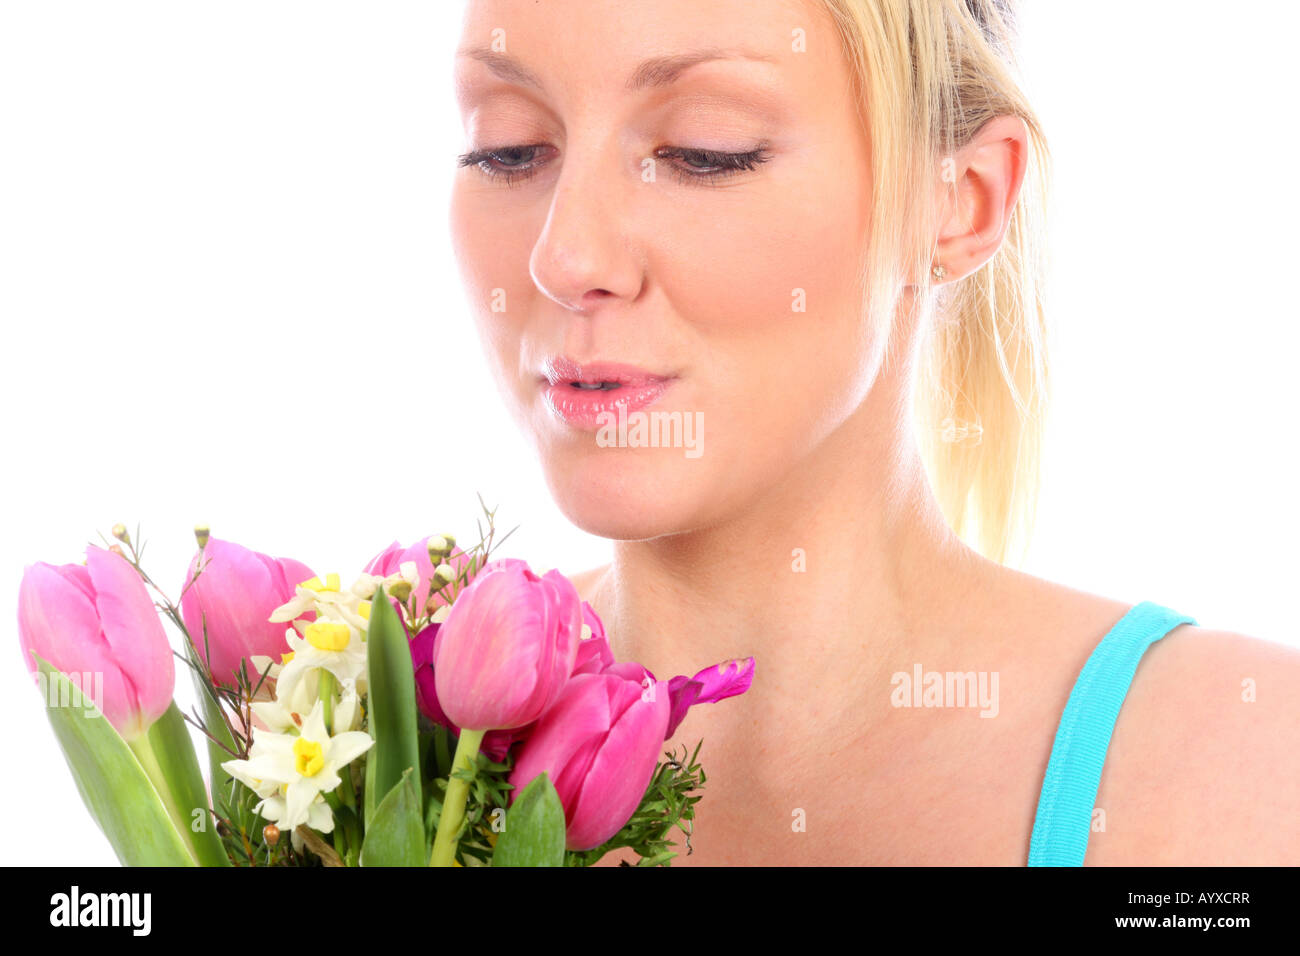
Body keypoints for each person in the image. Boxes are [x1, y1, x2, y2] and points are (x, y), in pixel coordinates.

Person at [447, 0, 1300, 864]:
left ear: (961, 202)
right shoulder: (352, 735)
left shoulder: (1251, 777)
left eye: (705, 151)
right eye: (507, 148)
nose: (564, 260)